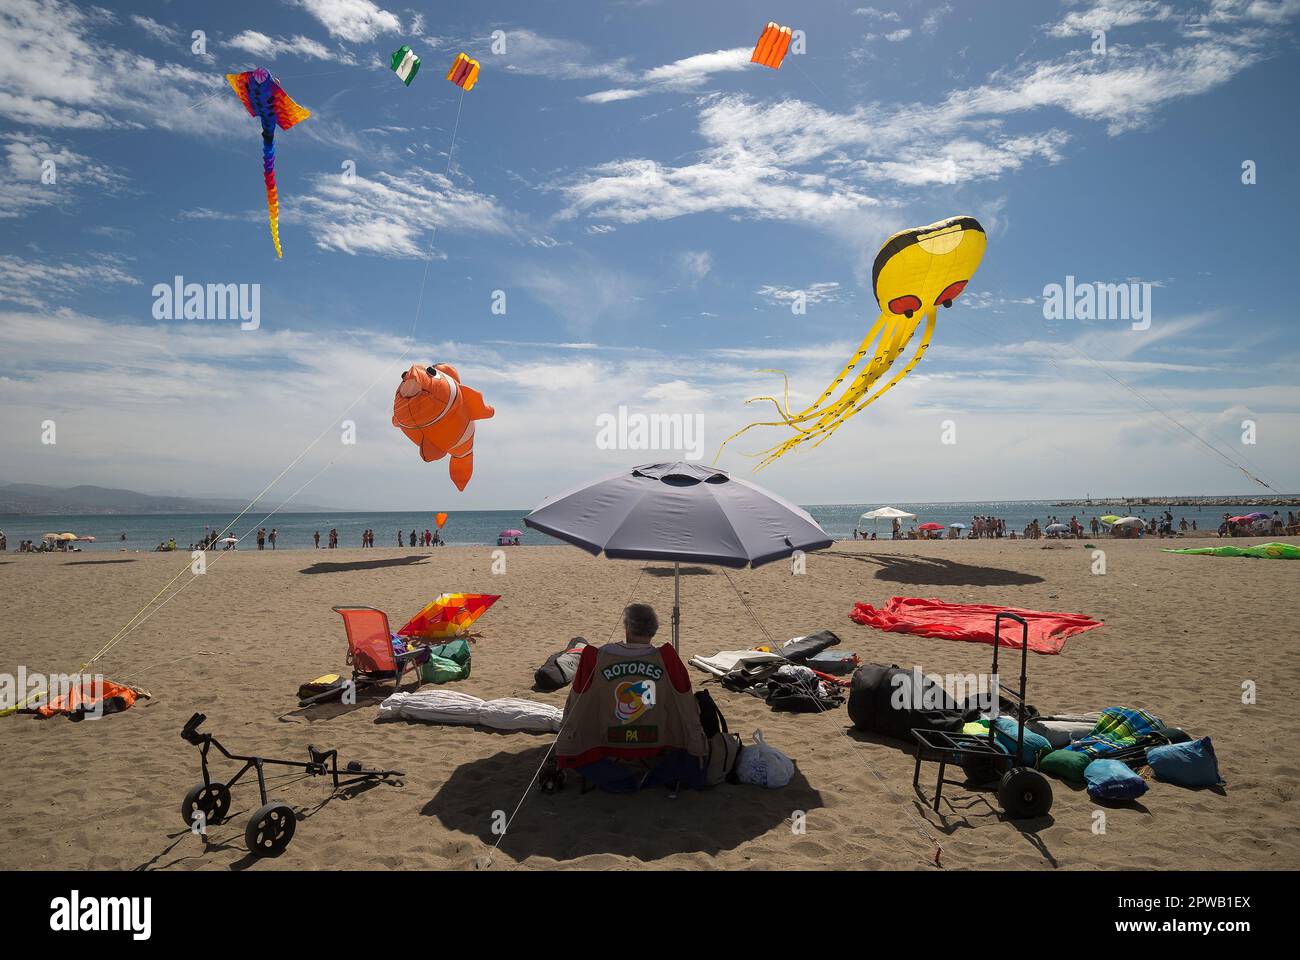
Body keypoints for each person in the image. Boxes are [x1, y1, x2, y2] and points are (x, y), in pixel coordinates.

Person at [554, 603, 707, 793]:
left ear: (627, 628)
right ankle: (653, 777)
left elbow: (576, 704)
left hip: (607, 739)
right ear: (653, 630)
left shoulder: (596, 658)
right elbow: (685, 704)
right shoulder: (667, 659)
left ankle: (622, 780)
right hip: (655, 738)